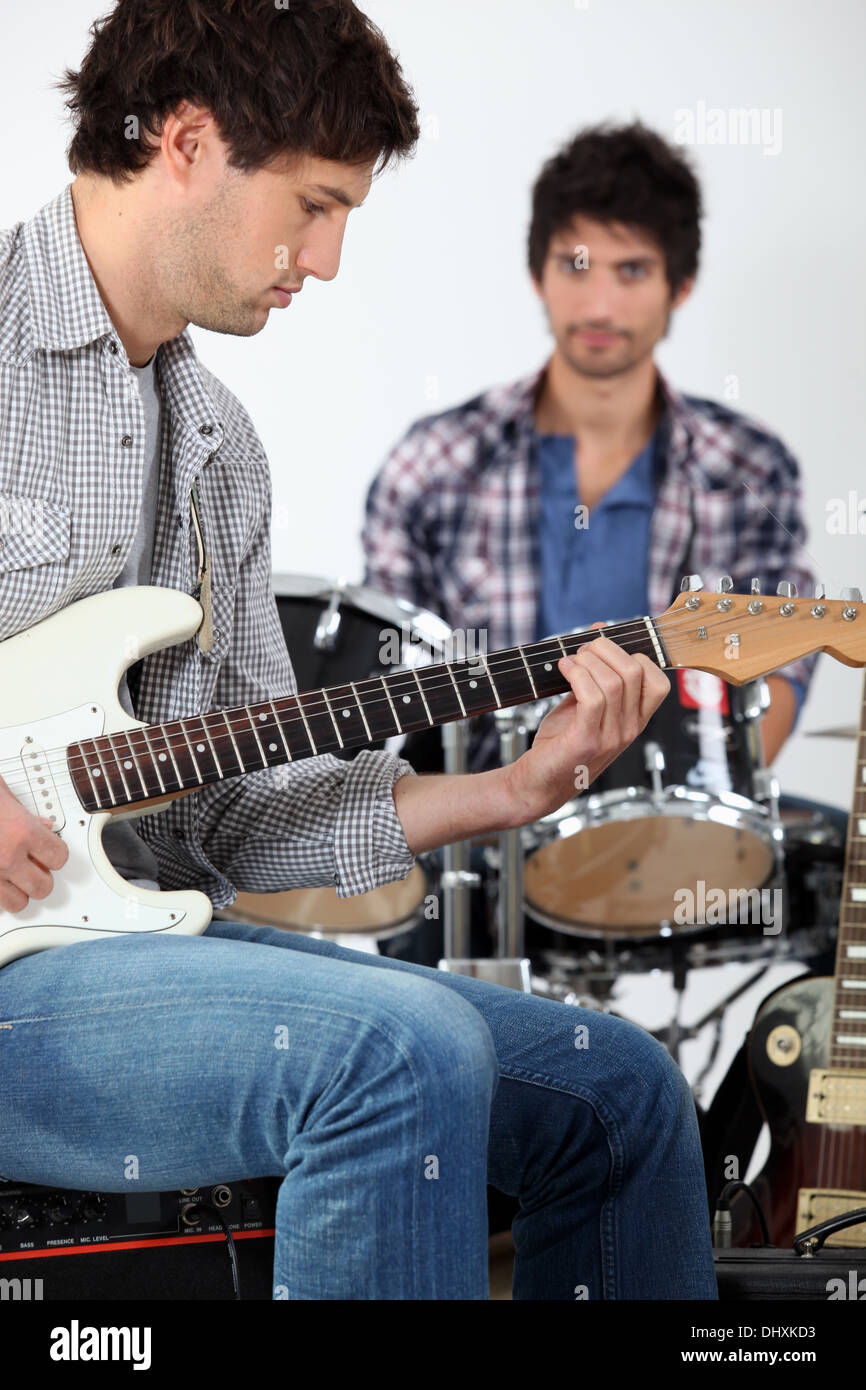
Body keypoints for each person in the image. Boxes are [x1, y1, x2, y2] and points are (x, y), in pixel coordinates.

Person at [0, 1, 716, 1300]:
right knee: (401, 1047)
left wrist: (511, 789)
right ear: (187, 139)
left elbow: (233, 812)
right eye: (313, 205)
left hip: (146, 936)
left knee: (621, 1090)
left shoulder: (223, 453)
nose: (323, 261)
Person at [362, 122, 817, 779]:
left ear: (679, 286)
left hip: (673, 848)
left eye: (632, 271)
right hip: (480, 845)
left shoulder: (747, 467)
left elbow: (775, 675)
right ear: (537, 274)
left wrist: (701, 835)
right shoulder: (434, 463)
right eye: (575, 266)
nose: (600, 305)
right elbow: (392, 693)